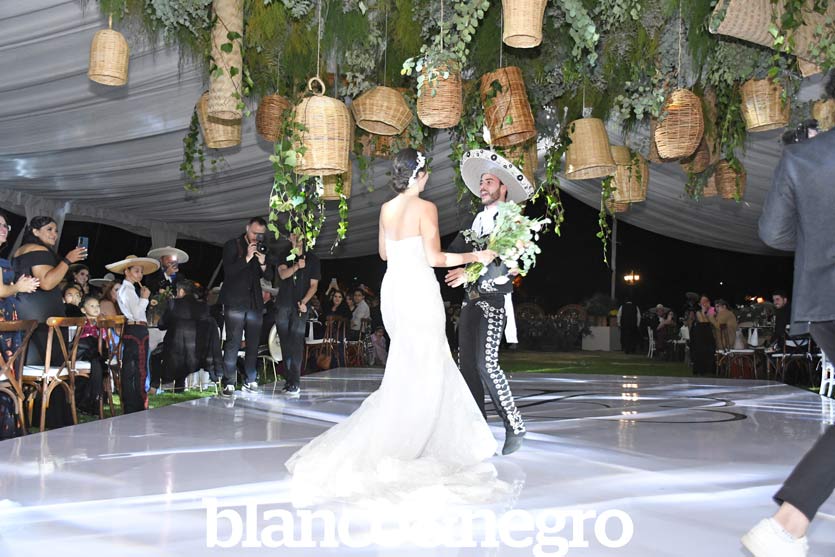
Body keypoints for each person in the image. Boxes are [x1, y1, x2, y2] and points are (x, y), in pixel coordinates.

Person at [285, 148, 498, 503]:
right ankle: (414, 440)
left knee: (407, 365)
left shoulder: (387, 209)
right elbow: (435, 258)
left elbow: (384, 253)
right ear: (418, 174)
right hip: (416, 287)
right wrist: (477, 256)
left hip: (394, 289)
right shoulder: (425, 208)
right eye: (426, 171)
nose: (428, 176)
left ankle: (414, 431)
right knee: (429, 363)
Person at [742, 72, 835, 557]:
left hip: (822, 303)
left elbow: (774, 234)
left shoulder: (803, 155)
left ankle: (787, 524)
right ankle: (787, 522)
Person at [444, 148, 535, 455]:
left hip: (494, 300)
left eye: (489, 181)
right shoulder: (477, 222)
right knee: (466, 364)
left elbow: (503, 258)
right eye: (481, 182)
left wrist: (467, 272)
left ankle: (515, 425)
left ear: (503, 187)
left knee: (487, 364)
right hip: (470, 302)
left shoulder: (513, 221)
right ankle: (476, 428)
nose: (483, 187)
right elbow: (448, 254)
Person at [12, 216, 87, 365]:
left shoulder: (20, 251)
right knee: (50, 372)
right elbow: (46, 282)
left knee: (28, 371)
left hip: (27, 317)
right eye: (49, 229)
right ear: (35, 231)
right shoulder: (38, 250)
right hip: (43, 322)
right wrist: (67, 260)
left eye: (56, 230)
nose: (55, 234)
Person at [220, 217, 269, 395]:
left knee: (253, 343)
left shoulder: (262, 247)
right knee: (233, 342)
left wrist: (263, 262)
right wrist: (247, 257)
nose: (257, 237)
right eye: (254, 232)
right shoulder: (232, 245)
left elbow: (270, 275)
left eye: (261, 234)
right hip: (234, 301)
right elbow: (229, 271)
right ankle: (229, 382)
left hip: (254, 302)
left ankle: (250, 378)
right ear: (247, 228)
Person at [106, 254, 159, 414]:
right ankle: (138, 404)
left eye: (141, 271)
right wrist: (145, 299)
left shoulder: (127, 289)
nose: (140, 274)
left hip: (134, 329)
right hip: (137, 329)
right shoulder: (128, 290)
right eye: (136, 271)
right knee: (139, 367)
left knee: (132, 368)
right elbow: (136, 313)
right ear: (127, 271)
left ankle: (131, 404)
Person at [274, 233, 320, 396]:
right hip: (283, 304)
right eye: (294, 234)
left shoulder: (313, 259)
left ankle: (295, 381)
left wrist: (305, 302)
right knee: (285, 343)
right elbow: (282, 274)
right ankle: (288, 379)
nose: (297, 237)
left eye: (301, 235)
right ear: (290, 237)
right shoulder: (284, 254)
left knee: (297, 342)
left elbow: (314, 285)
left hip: (300, 306)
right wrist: (296, 267)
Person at [156, 280, 209, 393]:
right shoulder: (203, 306)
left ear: (181, 291)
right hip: (197, 352)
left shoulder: (174, 303)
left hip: (174, 352)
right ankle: (178, 385)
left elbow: (161, 325)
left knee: (154, 355)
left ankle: (157, 384)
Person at [691, 294, 716, 375]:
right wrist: (703, 311)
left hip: (708, 332)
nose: (704, 303)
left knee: (708, 351)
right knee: (699, 350)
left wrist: (704, 311)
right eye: (702, 301)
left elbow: (707, 321)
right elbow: (701, 320)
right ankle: (699, 369)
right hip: (700, 332)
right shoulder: (698, 311)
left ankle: (708, 369)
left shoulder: (712, 309)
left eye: (705, 301)